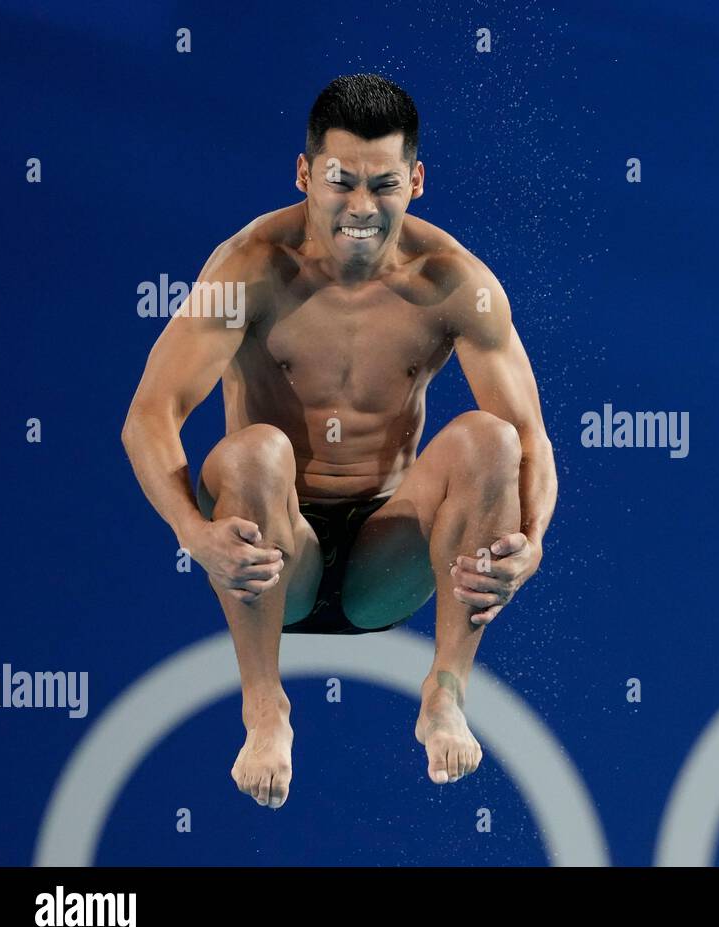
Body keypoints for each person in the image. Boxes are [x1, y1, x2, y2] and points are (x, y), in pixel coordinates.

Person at [120, 74, 557, 809]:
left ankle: (446, 691)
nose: (361, 207)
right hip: (275, 548)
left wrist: (534, 542)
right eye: (340, 182)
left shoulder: (457, 283)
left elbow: (532, 439)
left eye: (383, 185)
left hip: (389, 554)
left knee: (488, 441)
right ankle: (264, 706)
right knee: (257, 451)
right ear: (304, 174)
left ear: (415, 181)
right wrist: (194, 534)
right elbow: (149, 415)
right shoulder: (250, 270)